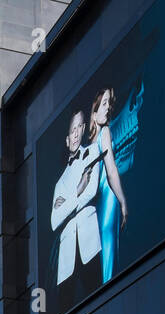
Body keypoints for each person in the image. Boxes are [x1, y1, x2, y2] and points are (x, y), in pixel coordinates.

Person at [51, 110, 102, 285]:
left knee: (97, 293)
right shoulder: (59, 183)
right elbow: (54, 221)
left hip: (90, 244)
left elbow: (92, 192)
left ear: (84, 128)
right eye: (72, 129)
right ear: (67, 139)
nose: (75, 133)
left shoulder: (93, 151)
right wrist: (78, 189)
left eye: (79, 126)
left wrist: (67, 205)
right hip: (66, 259)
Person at [87, 87, 128, 284]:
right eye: (104, 104)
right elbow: (111, 170)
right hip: (107, 197)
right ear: (94, 113)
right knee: (108, 241)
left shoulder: (96, 139)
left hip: (102, 200)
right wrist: (123, 202)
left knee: (106, 243)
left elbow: (108, 170)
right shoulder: (104, 133)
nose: (108, 108)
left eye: (109, 104)